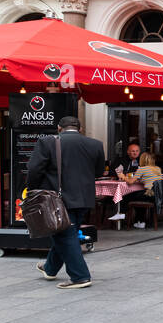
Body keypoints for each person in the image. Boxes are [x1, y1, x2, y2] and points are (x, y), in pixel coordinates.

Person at [27, 116, 106, 290]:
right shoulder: (96, 144)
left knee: (65, 234)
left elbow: (34, 170)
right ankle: (50, 268)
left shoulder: (47, 142)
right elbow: (99, 171)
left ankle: (80, 276)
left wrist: (33, 190)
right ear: (80, 128)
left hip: (57, 198)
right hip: (85, 198)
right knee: (65, 233)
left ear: (59, 128)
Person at [121, 151, 162, 228]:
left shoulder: (142, 169)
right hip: (157, 195)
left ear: (143, 160)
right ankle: (140, 221)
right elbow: (151, 178)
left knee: (127, 195)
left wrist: (123, 176)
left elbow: (130, 182)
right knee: (138, 198)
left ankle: (122, 214)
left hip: (149, 194)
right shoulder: (157, 169)